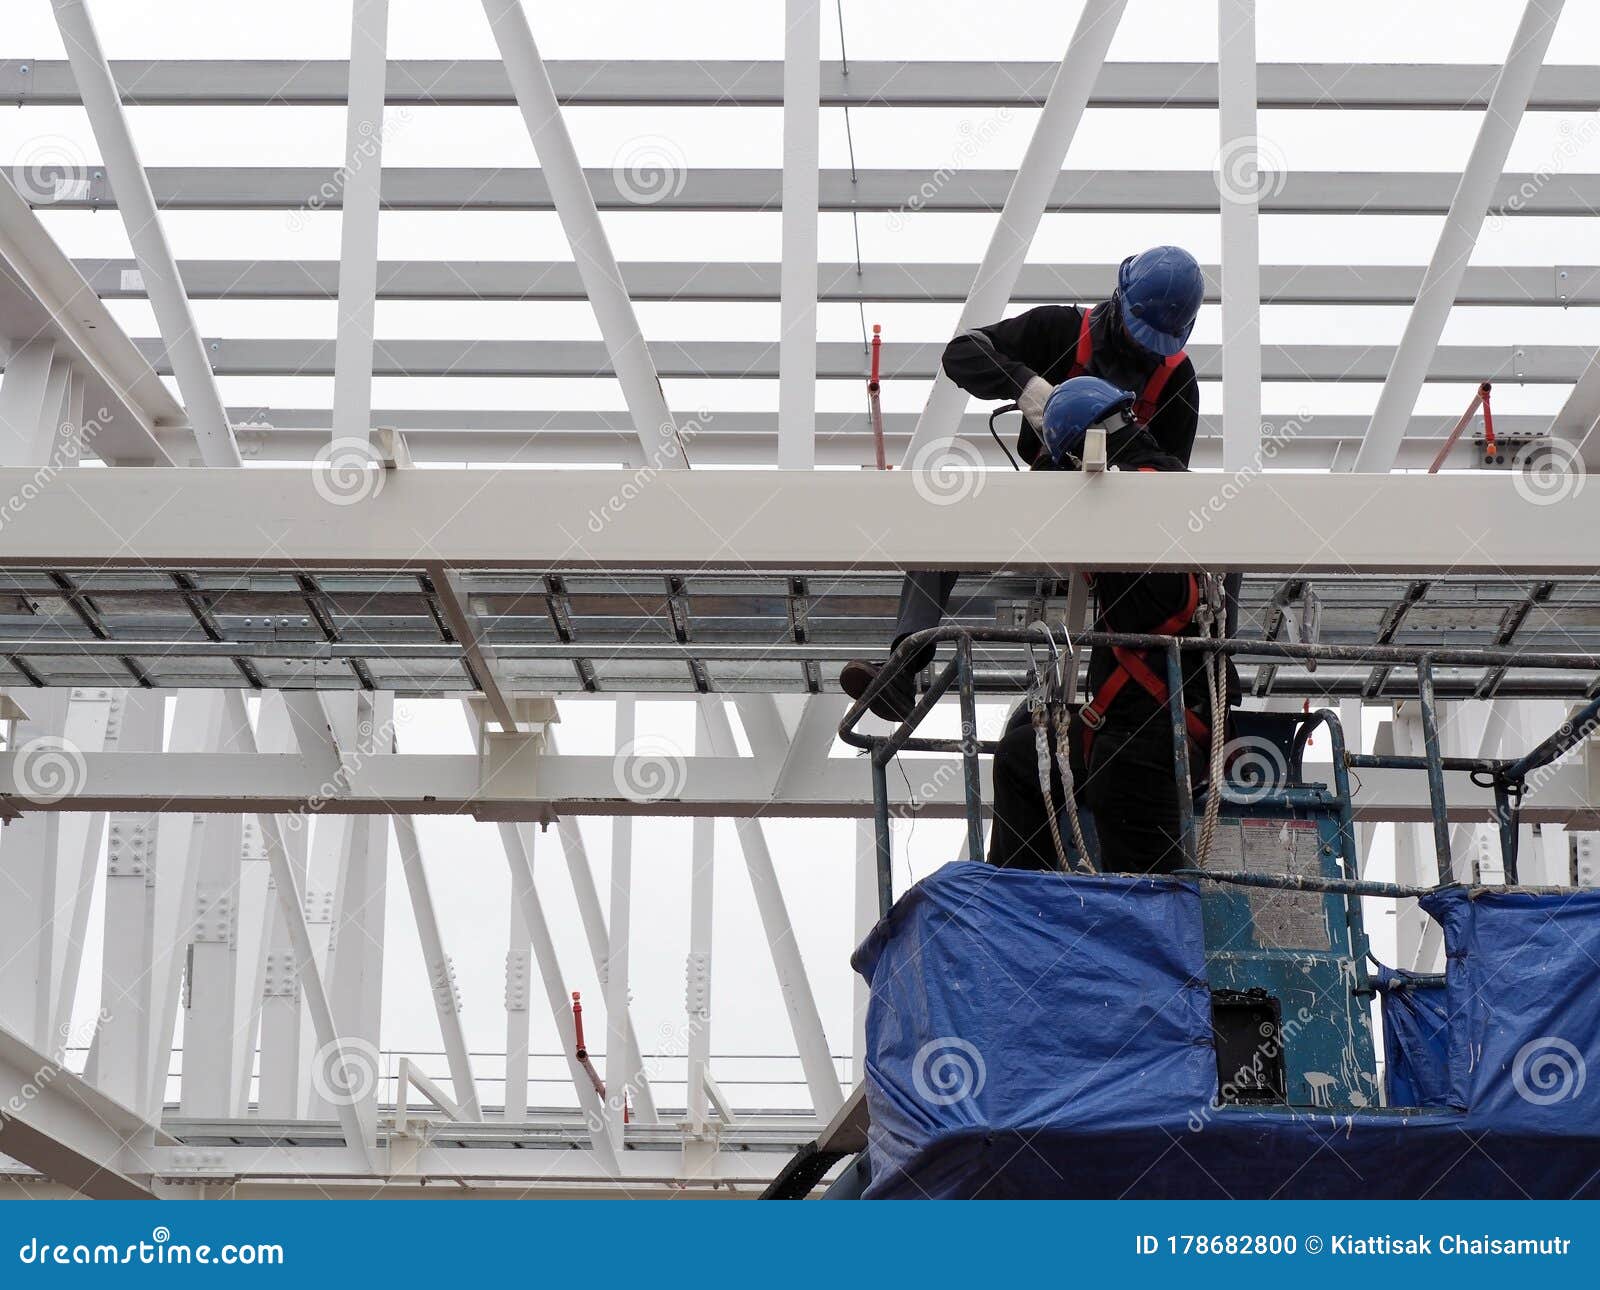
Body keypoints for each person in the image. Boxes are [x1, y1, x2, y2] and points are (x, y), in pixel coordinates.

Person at [841, 245, 1205, 723]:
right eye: (1141, 335)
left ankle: (1115, 710)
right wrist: (1025, 383)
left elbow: (1171, 495)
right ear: (1118, 300)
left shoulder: (1177, 382)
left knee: (1133, 609)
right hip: (1043, 500)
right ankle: (905, 665)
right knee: (941, 520)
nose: (1143, 348)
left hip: (1117, 526)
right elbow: (962, 354)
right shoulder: (1058, 331)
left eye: (1157, 342)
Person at [984, 377, 1234, 875]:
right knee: (1020, 754)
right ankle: (1020, 906)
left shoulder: (1117, 499)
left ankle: (1030, 919)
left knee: (1142, 902)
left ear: (1080, 456)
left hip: (1144, 740)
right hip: (1142, 722)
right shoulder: (1177, 488)